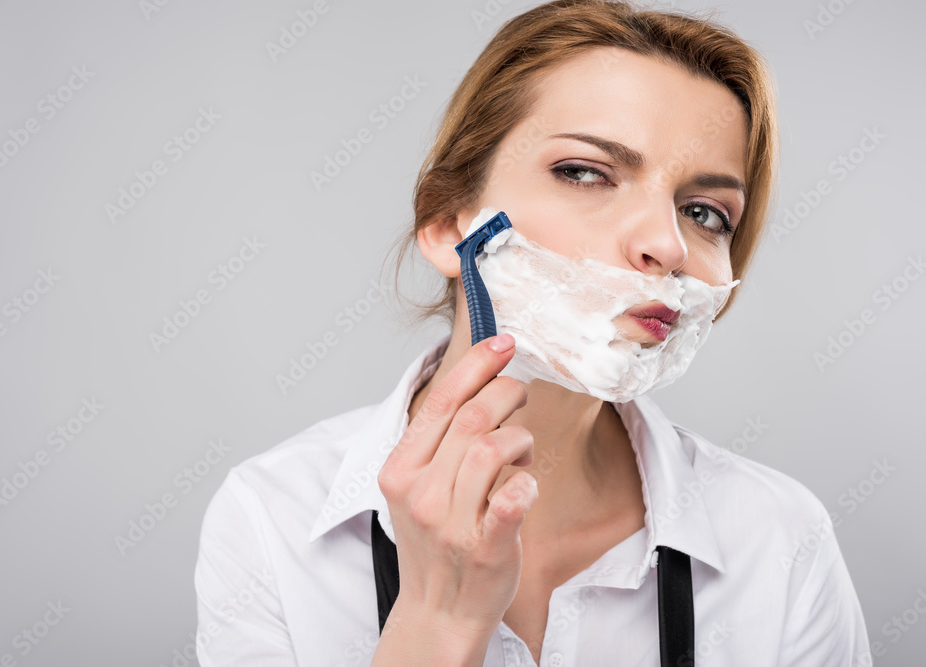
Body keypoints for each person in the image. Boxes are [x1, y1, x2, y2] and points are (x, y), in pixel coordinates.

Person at [194, 1, 871, 665]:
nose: (667, 244)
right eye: (585, 172)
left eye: (706, 212)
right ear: (446, 223)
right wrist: (436, 621)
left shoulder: (782, 540)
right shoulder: (271, 520)